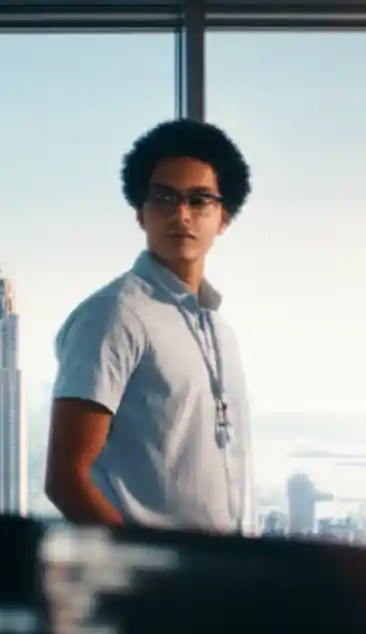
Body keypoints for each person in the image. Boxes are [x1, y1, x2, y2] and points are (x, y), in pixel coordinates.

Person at [44, 119, 254, 533]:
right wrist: (143, 567)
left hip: (219, 576)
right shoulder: (114, 315)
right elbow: (67, 480)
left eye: (199, 200)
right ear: (141, 213)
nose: (181, 214)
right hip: (155, 584)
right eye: (164, 197)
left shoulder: (219, 329)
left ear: (223, 217)